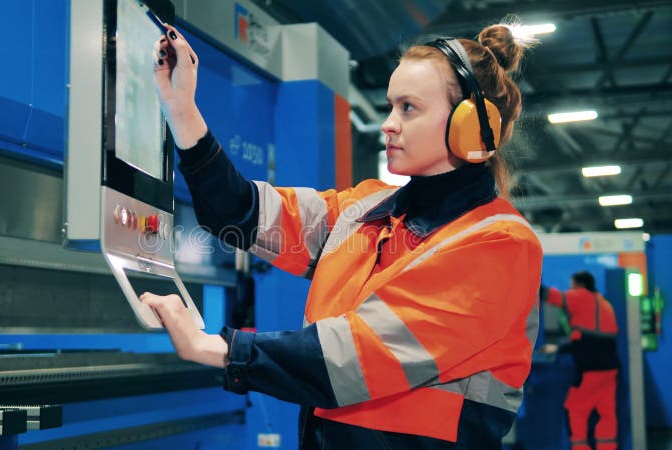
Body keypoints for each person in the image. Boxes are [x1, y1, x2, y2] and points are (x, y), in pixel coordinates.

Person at [141, 22, 543, 449]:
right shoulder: (364, 209)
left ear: (471, 125)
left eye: (408, 108)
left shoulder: (499, 243)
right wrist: (181, 108)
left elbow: (355, 355)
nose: (388, 124)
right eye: (390, 106)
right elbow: (239, 212)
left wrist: (215, 348)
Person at [541, 271, 621, 450]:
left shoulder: (580, 297)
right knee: (606, 414)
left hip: (590, 369)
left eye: (572, 286)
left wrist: (528, 281)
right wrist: (561, 346)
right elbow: (586, 335)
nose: (570, 290)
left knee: (575, 409)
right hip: (611, 369)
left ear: (580, 285)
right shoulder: (603, 303)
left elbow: (549, 296)